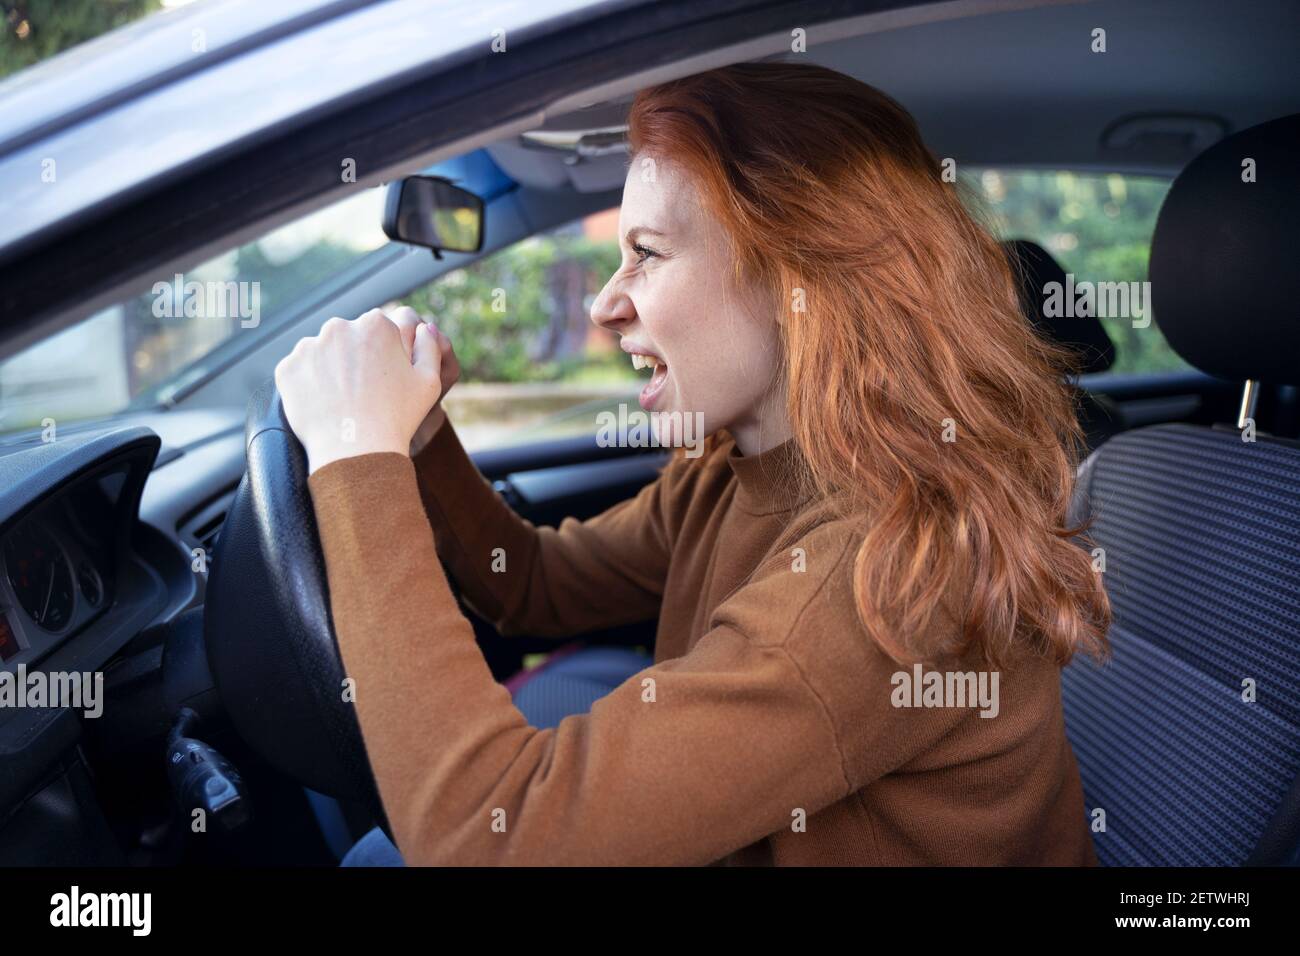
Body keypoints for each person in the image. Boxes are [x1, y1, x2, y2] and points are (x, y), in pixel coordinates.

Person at [276, 62, 1110, 866]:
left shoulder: (875, 576)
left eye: (647, 252)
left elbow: (495, 837)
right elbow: (530, 582)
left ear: (801, 277)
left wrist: (357, 459)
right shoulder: (736, 464)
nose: (606, 303)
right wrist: (415, 439)